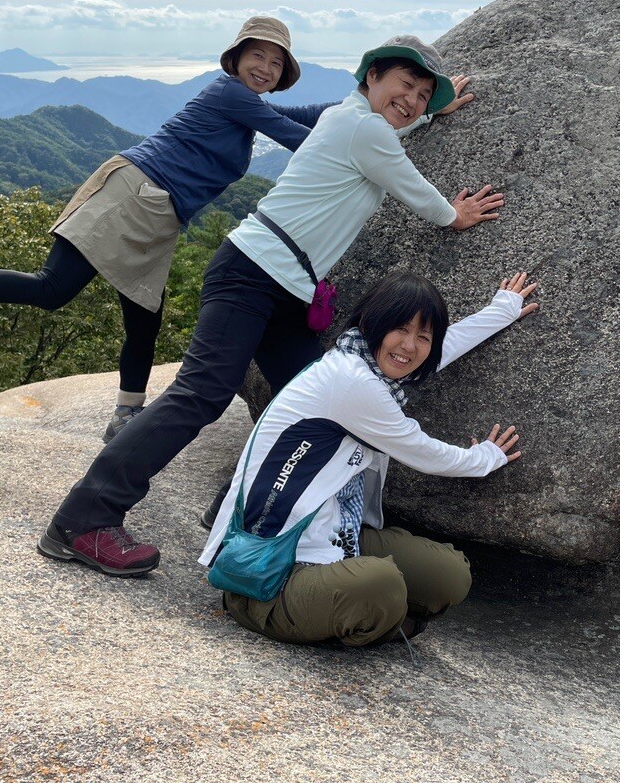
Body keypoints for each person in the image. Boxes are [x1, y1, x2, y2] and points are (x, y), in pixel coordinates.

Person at [37, 34, 500, 578]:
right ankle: (82, 519)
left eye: (425, 94)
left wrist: (423, 118)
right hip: (254, 273)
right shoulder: (364, 127)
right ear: (372, 77)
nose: (414, 99)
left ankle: (239, 510)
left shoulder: (352, 121)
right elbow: (412, 187)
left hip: (282, 285)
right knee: (201, 395)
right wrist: (453, 214)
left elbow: (384, 137)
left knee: (313, 396)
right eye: (407, 85)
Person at [0, 17, 348, 442]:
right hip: (132, 192)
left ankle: (126, 415)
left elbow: (303, 116)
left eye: (276, 63)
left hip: (160, 216)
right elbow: (301, 139)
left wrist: (367, 108)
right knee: (52, 289)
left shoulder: (245, 105)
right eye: (257, 55)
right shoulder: (228, 93)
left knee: (143, 319)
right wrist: (360, 147)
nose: (265, 67)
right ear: (237, 57)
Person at [203, 269, 537, 649]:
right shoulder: (351, 381)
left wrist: (502, 310)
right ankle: (356, 618)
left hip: (338, 537)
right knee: (380, 584)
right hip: (262, 569)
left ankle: (368, 613)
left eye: (422, 335)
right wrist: (485, 457)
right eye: (400, 329)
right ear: (371, 325)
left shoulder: (371, 368)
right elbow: (424, 452)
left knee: (449, 575)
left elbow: (437, 350)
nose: (409, 346)